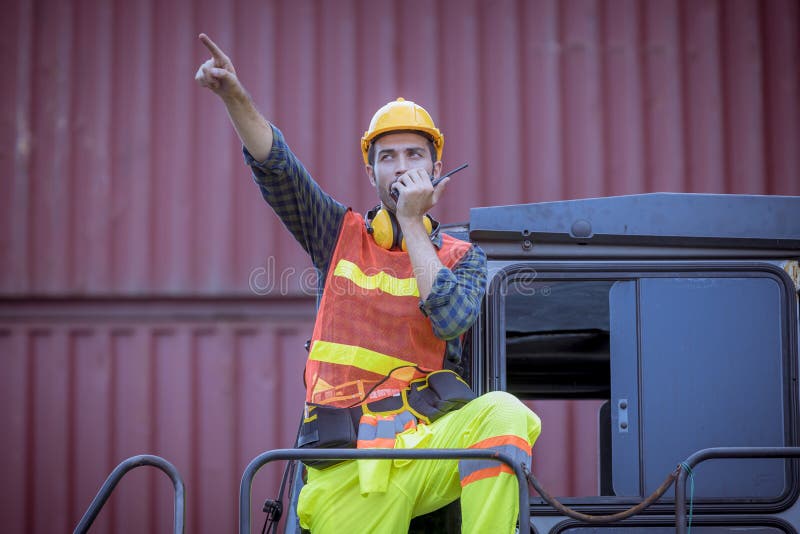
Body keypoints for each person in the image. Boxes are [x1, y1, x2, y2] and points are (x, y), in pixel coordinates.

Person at [195, 33, 541, 534]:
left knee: (504, 414)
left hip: (425, 453)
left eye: (414, 155)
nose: (402, 166)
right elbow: (277, 169)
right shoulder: (335, 233)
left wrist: (412, 224)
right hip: (346, 468)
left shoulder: (464, 258)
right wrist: (234, 95)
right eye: (388, 156)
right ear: (371, 170)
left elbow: (449, 318)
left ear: (437, 169)